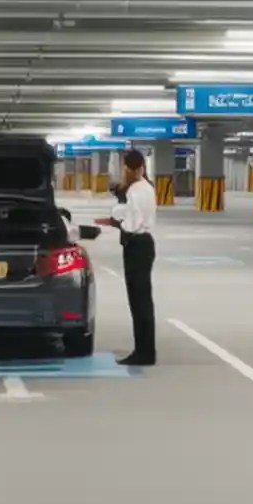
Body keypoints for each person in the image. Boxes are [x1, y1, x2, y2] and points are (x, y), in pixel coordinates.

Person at [103, 149, 157, 366]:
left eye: (125, 167)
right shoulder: (146, 187)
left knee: (139, 302)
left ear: (132, 168)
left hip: (136, 244)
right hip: (144, 244)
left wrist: (117, 222)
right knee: (142, 300)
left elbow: (131, 223)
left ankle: (143, 353)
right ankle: (145, 350)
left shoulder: (135, 190)